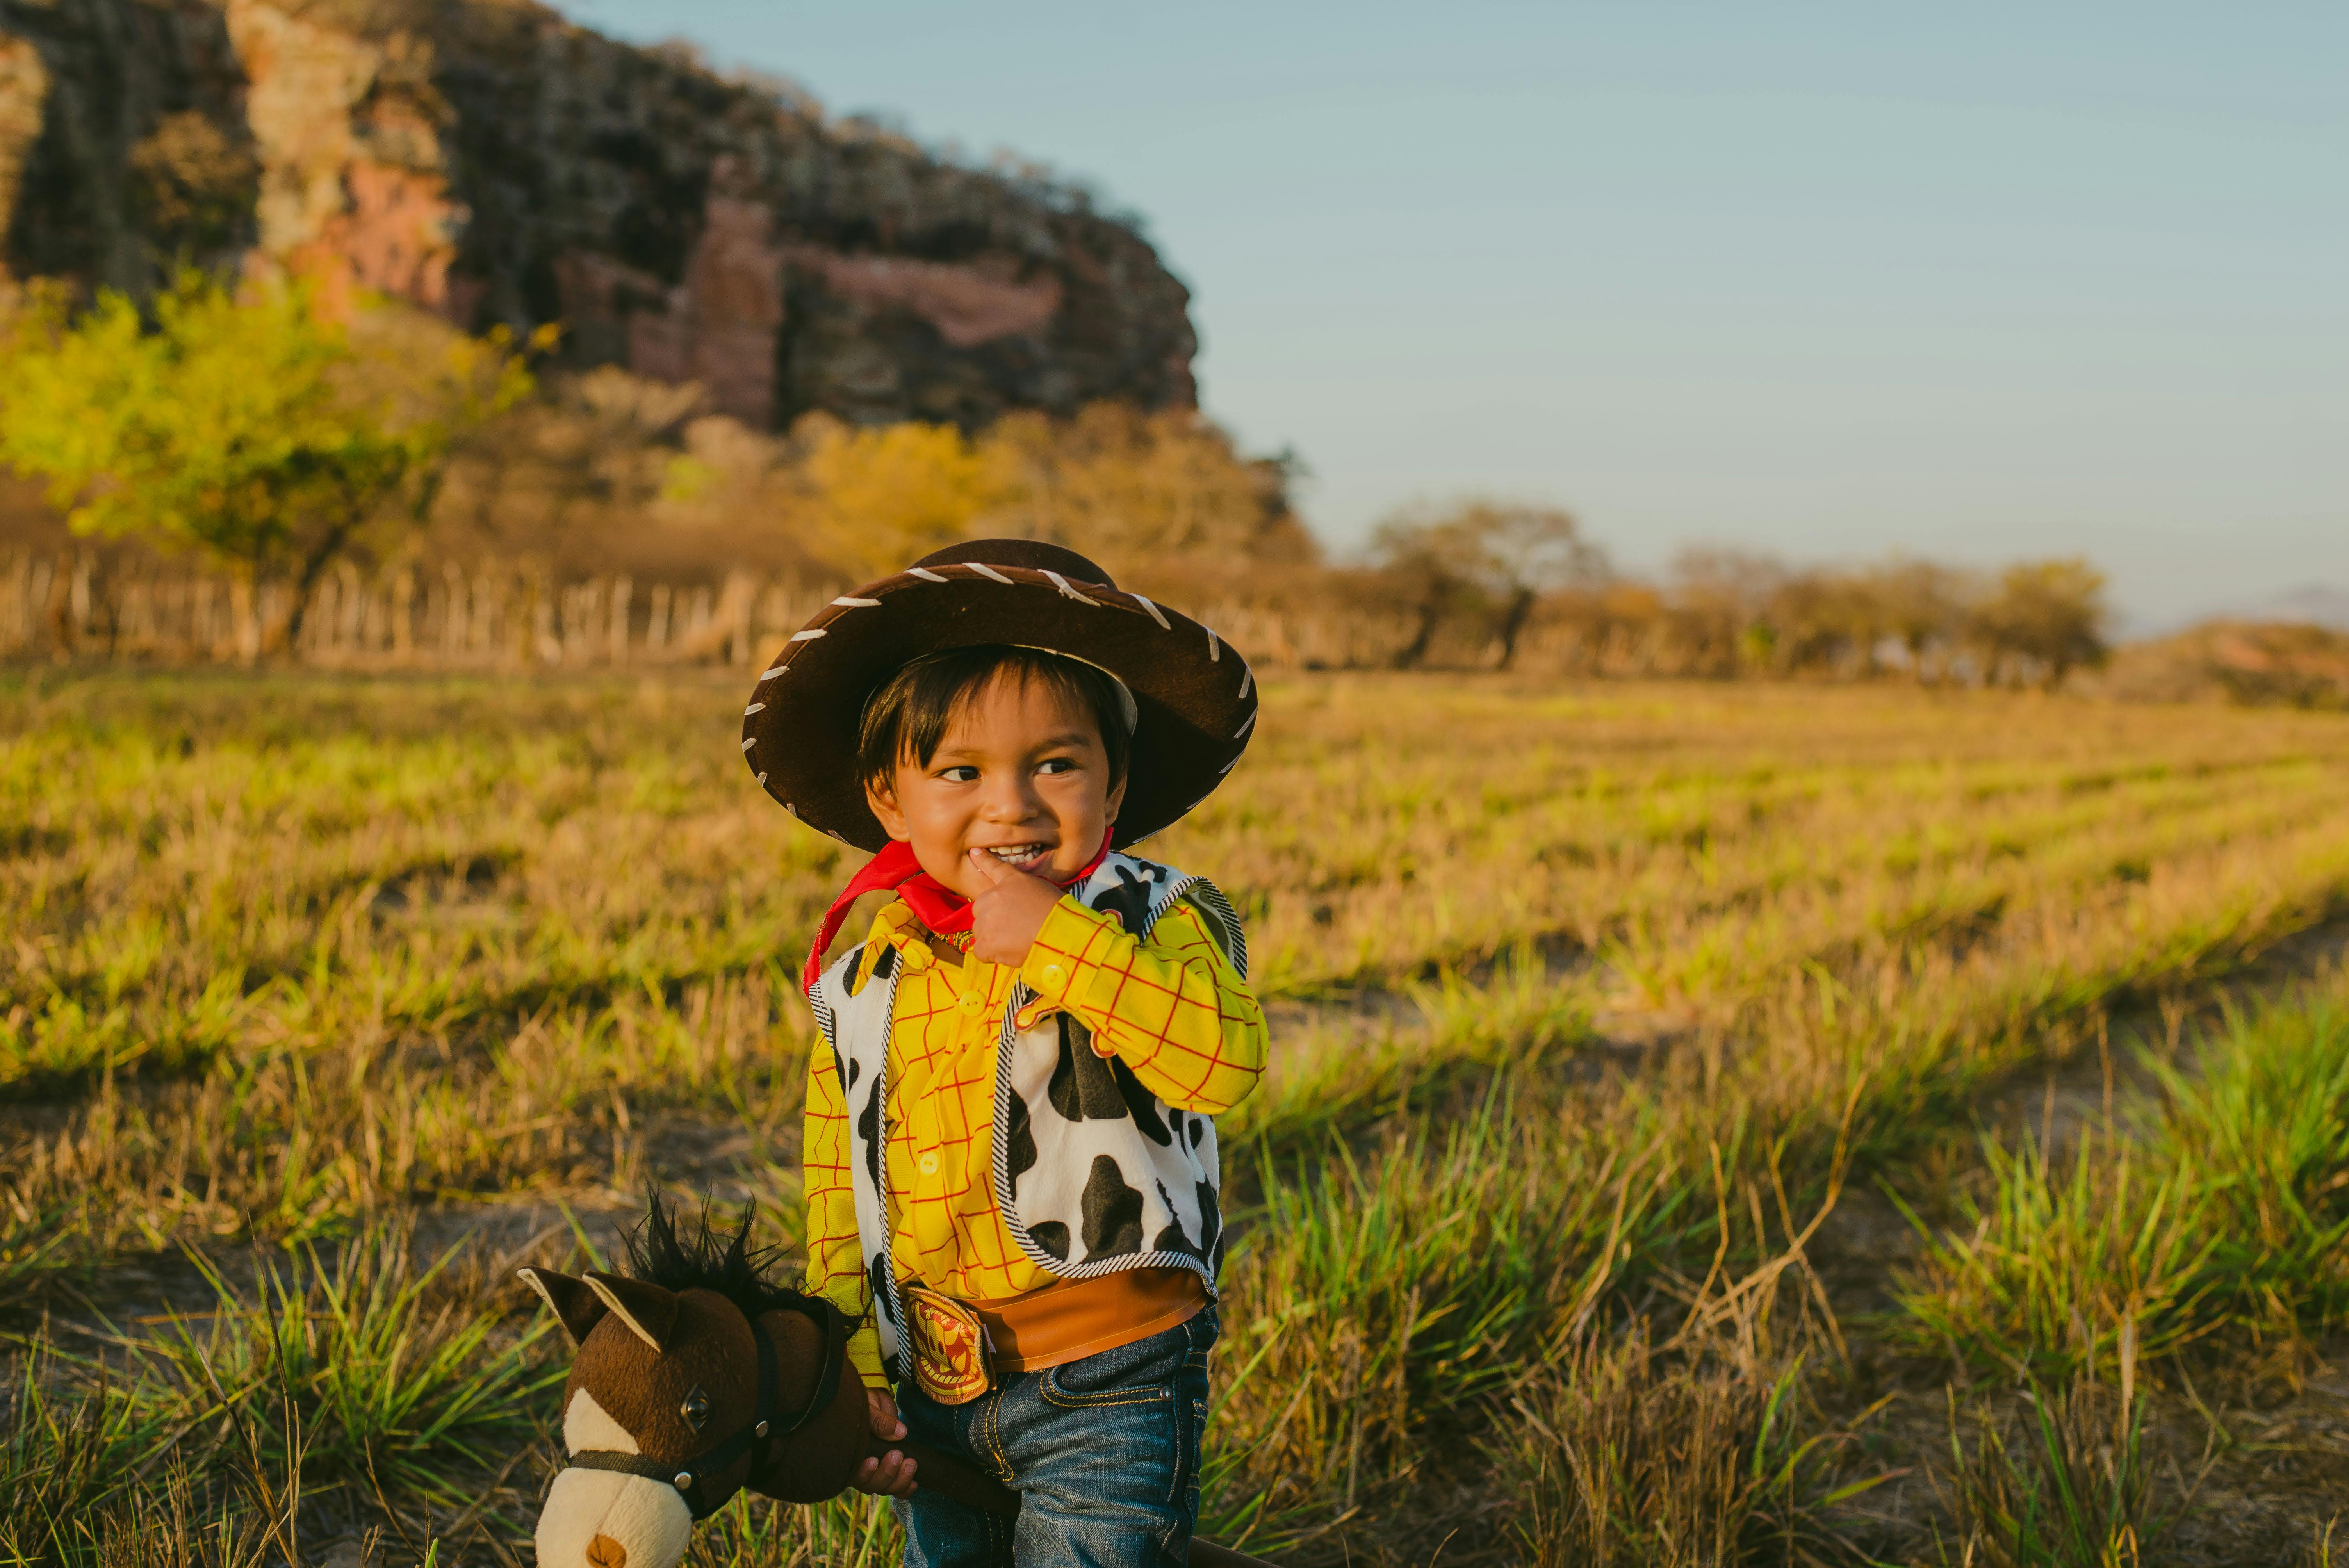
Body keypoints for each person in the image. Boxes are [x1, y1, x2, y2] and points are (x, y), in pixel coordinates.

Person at [740, 539, 1267, 1567]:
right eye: (961, 772)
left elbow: (1223, 1068)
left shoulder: (1152, 919)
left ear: (1114, 785)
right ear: (891, 802)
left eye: (1056, 764)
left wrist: (1061, 941)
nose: (1013, 804)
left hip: (1110, 1373)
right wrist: (859, 1373)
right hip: (935, 1380)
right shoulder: (861, 982)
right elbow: (840, 1193)